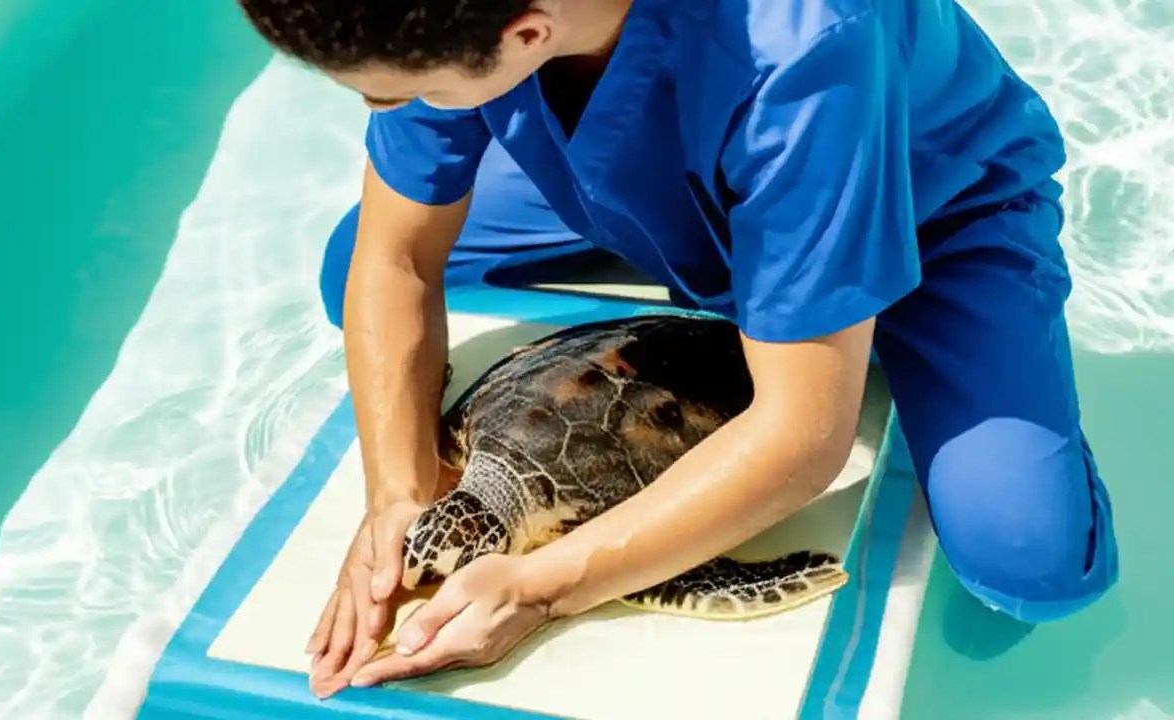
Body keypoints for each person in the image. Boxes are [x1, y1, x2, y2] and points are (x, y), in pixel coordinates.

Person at [236, 0, 1119, 698]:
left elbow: (804, 439)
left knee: (1029, 561)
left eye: (391, 93)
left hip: (928, 208)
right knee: (347, 268)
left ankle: (851, 307)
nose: (380, 110)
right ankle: (692, 233)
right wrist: (398, 493)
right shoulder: (444, 15)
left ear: (526, 31)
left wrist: (543, 586)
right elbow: (395, 259)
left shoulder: (806, 48)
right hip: (673, 162)